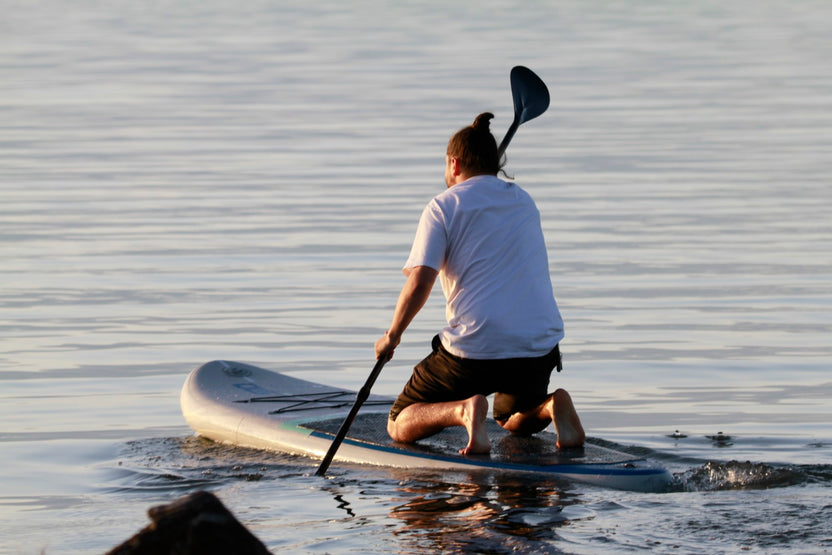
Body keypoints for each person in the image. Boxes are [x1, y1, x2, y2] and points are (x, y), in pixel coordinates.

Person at [374, 112, 585, 456]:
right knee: (509, 416)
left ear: (454, 163)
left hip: (474, 351)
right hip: (537, 349)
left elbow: (420, 282)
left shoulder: (442, 207)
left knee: (398, 422)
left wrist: (392, 335)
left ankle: (463, 410)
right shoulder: (524, 202)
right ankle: (551, 406)